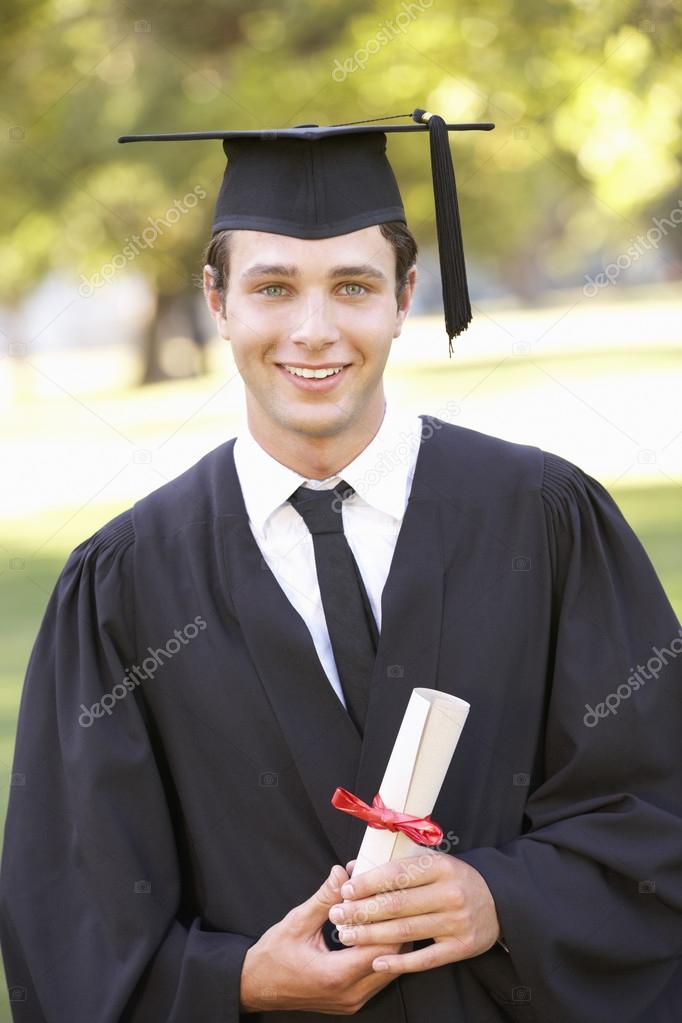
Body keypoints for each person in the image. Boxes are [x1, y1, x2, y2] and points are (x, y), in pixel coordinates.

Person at [1, 109, 680, 1023]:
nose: (314, 331)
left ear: (405, 296)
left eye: (353, 287)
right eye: (274, 287)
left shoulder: (544, 521)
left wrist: (501, 898)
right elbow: (71, 913)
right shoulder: (125, 584)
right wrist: (238, 980)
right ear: (217, 299)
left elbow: (655, 807)